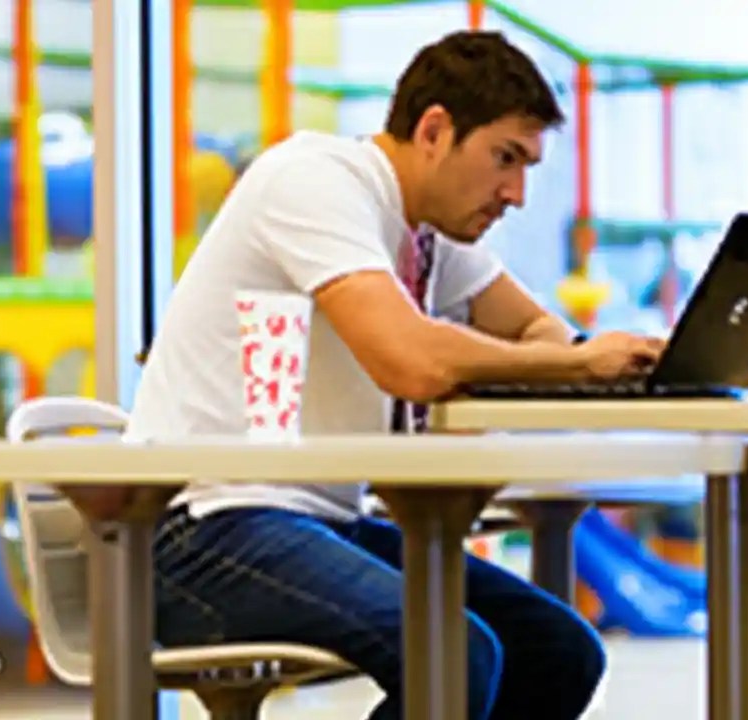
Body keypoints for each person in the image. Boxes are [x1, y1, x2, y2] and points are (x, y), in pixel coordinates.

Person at [127, 30, 662, 720]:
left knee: (558, 649)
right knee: (454, 653)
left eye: (527, 167)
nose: (517, 194)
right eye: (506, 158)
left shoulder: (429, 231)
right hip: (199, 532)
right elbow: (409, 359)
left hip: (314, 524)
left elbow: (539, 330)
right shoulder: (316, 181)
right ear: (434, 130)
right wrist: (577, 360)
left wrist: (582, 355)